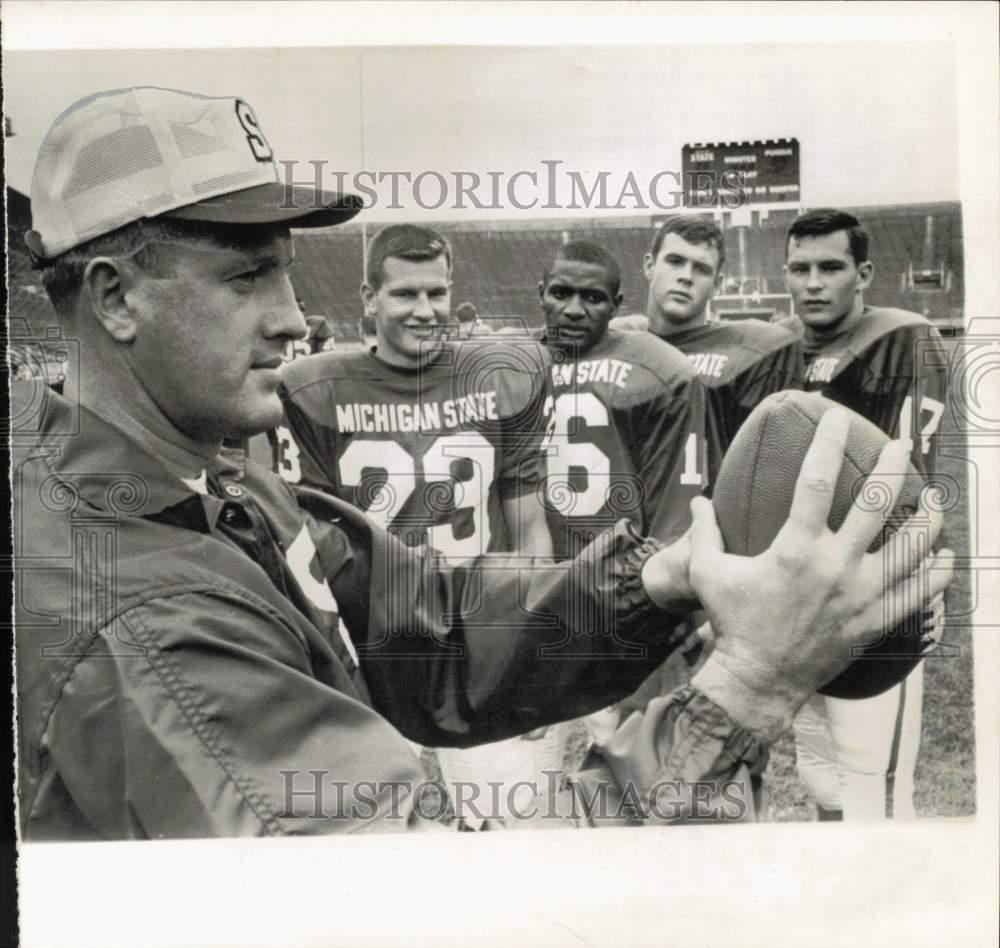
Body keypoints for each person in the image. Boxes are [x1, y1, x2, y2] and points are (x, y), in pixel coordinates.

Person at [13, 86, 951, 839]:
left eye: (289, 271)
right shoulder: (137, 614)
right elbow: (433, 913)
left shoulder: (210, 474)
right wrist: (746, 689)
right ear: (116, 297)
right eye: (246, 275)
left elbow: (434, 634)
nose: (293, 316)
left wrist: (666, 581)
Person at [277, 223, 559, 828]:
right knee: (361, 831)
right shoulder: (314, 387)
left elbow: (530, 526)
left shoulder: (500, 375)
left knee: (507, 826)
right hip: (370, 639)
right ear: (368, 298)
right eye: (405, 294)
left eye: (437, 293)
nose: (425, 310)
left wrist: (529, 645)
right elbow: (307, 544)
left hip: (472, 632)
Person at [779, 207, 951, 822]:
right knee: (818, 774)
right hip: (801, 600)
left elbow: (908, 486)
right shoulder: (779, 348)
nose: (813, 283)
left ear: (864, 273)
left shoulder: (902, 337)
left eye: (831, 267)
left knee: (872, 787)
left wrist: (914, 585)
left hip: (879, 594)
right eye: (800, 269)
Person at [537, 241, 706, 748]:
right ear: (540, 294)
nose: (573, 308)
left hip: (620, 594)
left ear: (616, 303)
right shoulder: (514, 366)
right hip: (537, 590)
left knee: (627, 763)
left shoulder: (660, 370)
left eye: (591, 297)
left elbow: (679, 500)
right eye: (561, 293)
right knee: (521, 774)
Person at [611, 215, 804, 491]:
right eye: (675, 261)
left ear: (717, 284)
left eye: (701, 269)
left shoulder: (755, 349)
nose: (686, 277)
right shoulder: (618, 344)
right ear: (649, 266)